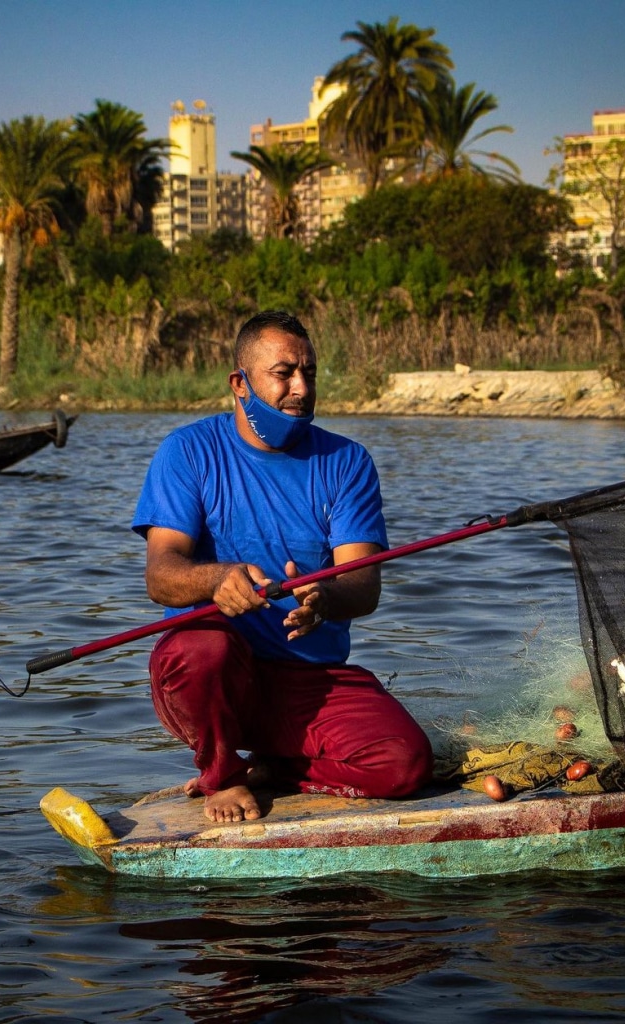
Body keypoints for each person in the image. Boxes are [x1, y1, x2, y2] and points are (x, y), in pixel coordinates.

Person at [132, 310, 433, 824]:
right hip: (215, 677)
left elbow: (363, 584)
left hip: (307, 675)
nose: (300, 387)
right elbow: (161, 574)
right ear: (240, 383)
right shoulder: (187, 451)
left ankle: (280, 765)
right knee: (202, 648)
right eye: (284, 373)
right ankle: (222, 775)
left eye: (309, 373)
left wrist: (325, 599)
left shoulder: (348, 461)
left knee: (404, 765)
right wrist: (215, 580)